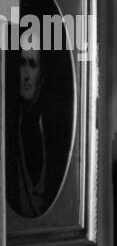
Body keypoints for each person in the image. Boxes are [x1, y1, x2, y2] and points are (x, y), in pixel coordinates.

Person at [6, 46, 71, 218]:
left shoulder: (53, 125)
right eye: (22, 63)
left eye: (33, 65)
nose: (26, 75)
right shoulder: (10, 123)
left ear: (42, 75)